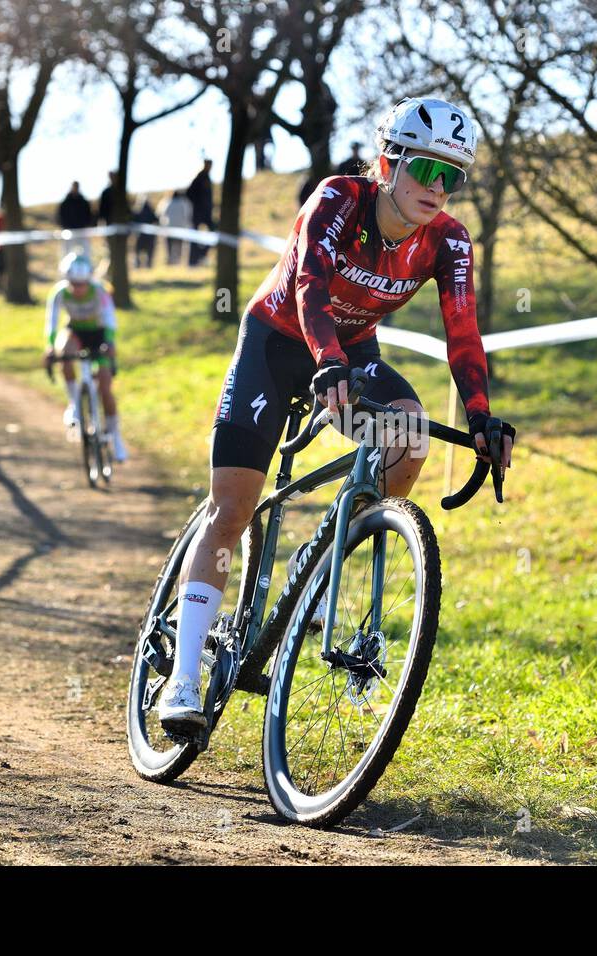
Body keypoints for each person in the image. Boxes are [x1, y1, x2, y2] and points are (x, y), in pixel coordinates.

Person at [155, 97, 517, 733]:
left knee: (409, 436)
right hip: (278, 341)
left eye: (452, 177)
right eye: (425, 171)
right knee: (233, 509)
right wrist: (326, 360)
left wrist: (483, 415)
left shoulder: (449, 240)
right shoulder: (337, 200)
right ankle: (183, 680)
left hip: (349, 353)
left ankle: (324, 569)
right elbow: (308, 286)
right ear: (388, 162)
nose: (438, 189)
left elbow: (463, 331)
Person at [42, 253, 128, 463]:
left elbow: (110, 320)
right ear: (67, 280)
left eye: (82, 284)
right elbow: (52, 322)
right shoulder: (59, 293)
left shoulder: (100, 292)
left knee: (105, 387)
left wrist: (109, 342)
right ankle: (74, 404)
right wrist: (50, 347)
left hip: (99, 335)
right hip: (76, 333)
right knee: (64, 351)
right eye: (74, 284)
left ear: (89, 280)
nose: (78, 289)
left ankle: (115, 436)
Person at [186, 159, 214, 265]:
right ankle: (193, 261)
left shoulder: (207, 178)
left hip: (207, 213)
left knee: (213, 234)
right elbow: (189, 193)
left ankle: (201, 254)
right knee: (194, 237)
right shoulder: (199, 177)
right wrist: (198, 205)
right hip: (198, 213)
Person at [57, 181, 93, 257]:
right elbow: (60, 216)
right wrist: (65, 226)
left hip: (82, 231)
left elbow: (88, 215)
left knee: (85, 251)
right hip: (69, 231)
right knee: (66, 251)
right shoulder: (65, 202)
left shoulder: (84, 201)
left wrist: (86, 225)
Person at [160, 189, 193, 265]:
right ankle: (178, 261)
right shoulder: (184, 203)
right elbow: (187, 215)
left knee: (169, 246)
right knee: (179, 246)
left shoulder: (167, 202)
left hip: (169, 228)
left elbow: (162, 215)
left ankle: (170, 260)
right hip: (180, 228)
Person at [133, 195, 158, 269]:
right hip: (149, 237)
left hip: (140, 236)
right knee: (149, 253)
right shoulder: (151, 211)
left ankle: (138, 265)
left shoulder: (137, 211)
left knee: (138, 252)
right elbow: (156, 220)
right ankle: (148, 265)